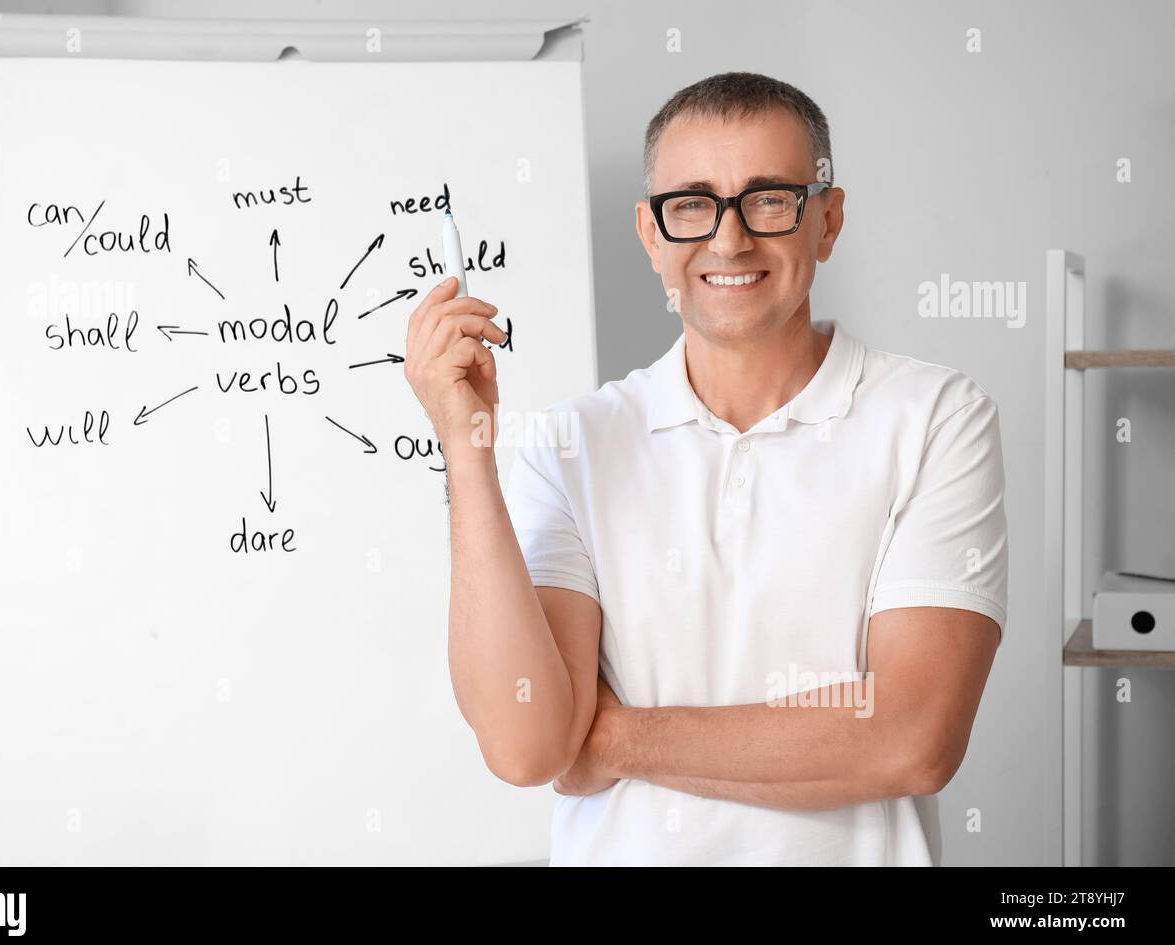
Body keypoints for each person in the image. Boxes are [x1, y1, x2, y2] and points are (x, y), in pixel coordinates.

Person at [403, 71, 1008, 866]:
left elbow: (911, 740)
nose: (728, 240)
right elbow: (528, 747)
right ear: (653, 235)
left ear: (826, 221)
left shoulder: (936, 417)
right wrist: (467, 451)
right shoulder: (571, 443)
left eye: (768, 199)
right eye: (691, 204)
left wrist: (617, 739)